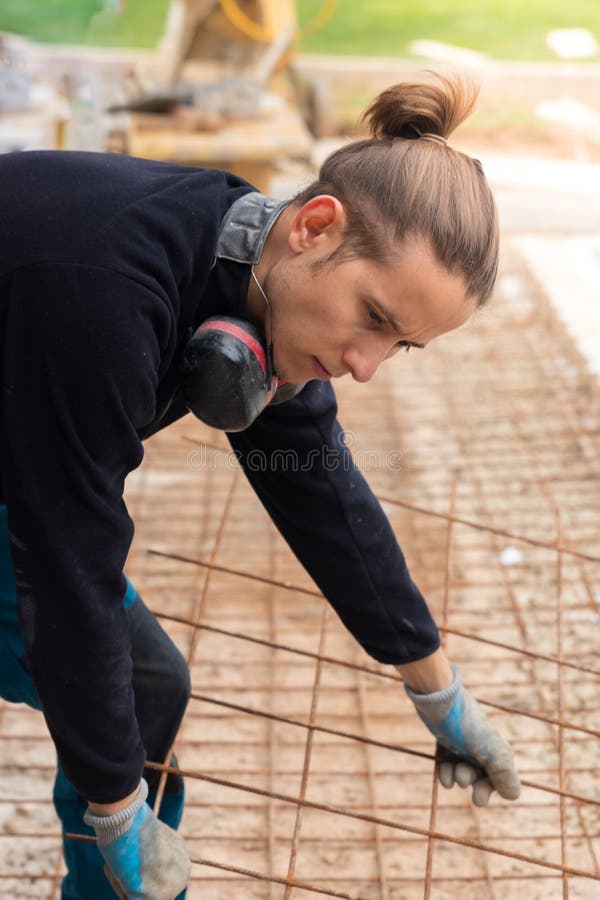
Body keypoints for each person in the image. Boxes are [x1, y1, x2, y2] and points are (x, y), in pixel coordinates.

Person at [0, 74, 520, 900]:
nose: (365, 366)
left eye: (401, 347)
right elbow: (66, 559)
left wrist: (437, 688)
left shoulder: (257, 273)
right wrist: (116, 807)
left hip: (19, 458)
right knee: (109, 680)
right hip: (27, 475)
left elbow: (322, 490)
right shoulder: (105, 293)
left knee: (142, 685)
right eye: (375, 319)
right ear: (316, 226)